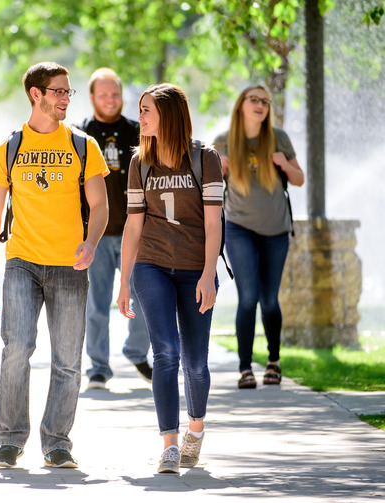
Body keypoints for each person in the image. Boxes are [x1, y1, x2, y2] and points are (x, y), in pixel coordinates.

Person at [0, 62, 109, 469]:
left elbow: (100, 205)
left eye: (68, 92)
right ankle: (10, 441)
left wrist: (91, 242)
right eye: (59, 91)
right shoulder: (8, 148)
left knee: (68, 360)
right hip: (22, 262)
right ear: (36, 94)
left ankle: (57, 443)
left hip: (70, 265)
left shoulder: (84, 145)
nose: (66, 98)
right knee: (16, 350)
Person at [116, 83, 223, 474]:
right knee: (166, 352)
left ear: (169, 114)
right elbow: (133, 224)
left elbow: (213, 222)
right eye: (140, 110)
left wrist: (209, 273)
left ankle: (196, 429)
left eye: (147, 111)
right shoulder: (139, 162)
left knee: (195, 362)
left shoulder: (204, 158)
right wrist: (125, 279)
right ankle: (170, 444)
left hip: (197, 268)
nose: (140, 117)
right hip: (152, 265)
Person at [212, 85, 304, 389]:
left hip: (276, 230)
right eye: (255, 100)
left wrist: (285, 164)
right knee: (248, 297)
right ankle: (244, 368)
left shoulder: (279, 138)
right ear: (241, 105)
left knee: (269, 300)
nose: (261, 105)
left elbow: (299, 179)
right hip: (239, 228)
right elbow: (206, 186)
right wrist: (218, 169)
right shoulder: (224, 142)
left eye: (265, 101)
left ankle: (273, 362)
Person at [77, 67, 152, 389]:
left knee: (146, 298)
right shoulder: (78, 136)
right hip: (94, 236)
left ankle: (137, 352)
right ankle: (98, 367)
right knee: (97, 304)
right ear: (92, 97)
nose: (110, 100)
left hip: (134, 233)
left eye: (115, 94)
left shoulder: (140, 132)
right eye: (103, 94)